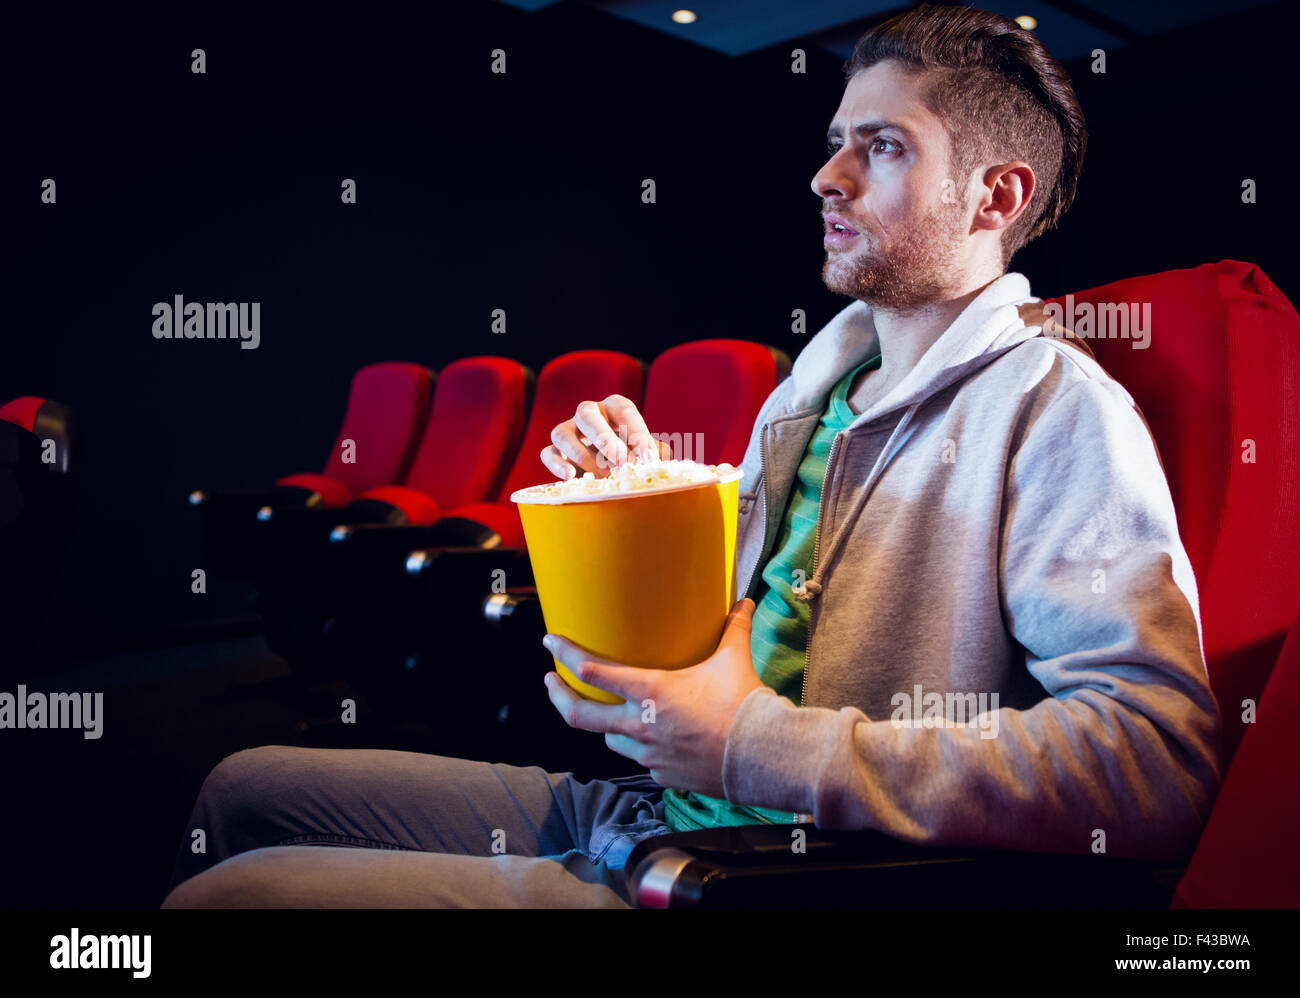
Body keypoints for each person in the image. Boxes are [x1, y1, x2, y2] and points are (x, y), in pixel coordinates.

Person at [161, 3, 1221, 908]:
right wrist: (628, 511)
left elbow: (1152, 763)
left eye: (881, 146)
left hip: (768, 862)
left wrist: (754, 744)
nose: (825, 176)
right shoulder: (807, 395)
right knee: (240, 789)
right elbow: (698, 663)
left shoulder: (1055, 406)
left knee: (227, 897)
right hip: (645, 806)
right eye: (835, 138)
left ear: (996, 197)